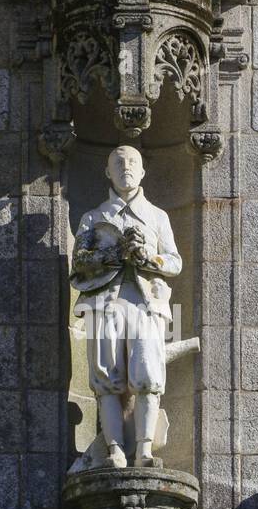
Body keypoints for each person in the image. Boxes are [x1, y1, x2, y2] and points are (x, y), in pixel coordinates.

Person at [70, 145, 182, 468]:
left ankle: (144, 450)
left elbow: (175, 262)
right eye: (118, 163)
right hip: (104, 304)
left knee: (148, 374)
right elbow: (79, 262)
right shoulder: (93, 218)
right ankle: (115, 450)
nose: (126, 167)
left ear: (143, 171)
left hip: (146, 304)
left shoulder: (157, 217)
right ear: (108, 172)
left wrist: (148, 258)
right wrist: (113, 255)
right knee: (105, 377)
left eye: (132, 162)